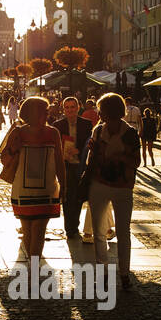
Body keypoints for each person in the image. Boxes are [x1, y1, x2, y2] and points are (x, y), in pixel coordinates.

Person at [83, 93, 140, 292]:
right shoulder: (97, 131)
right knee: (99, 231)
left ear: (108, 112)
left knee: (123, 232)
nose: (99, 113)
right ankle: (103, 272)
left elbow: (136, 162)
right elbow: (91, 160)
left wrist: (118, 155)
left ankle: (124, 273)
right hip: (99, 184)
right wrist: (94, 151)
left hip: (123, 187)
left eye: (102, 110)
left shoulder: (130, 133)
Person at [0, 96, 65, 265]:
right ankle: (32, 265)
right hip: (24, 190)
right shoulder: (18, 132)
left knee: (39, 230)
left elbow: (59, 161)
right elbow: (4, 159)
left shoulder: (53, 133)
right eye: (44, 111)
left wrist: (64, 185)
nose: (47, 113)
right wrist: (14, 149)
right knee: (29, 232)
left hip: (47, 190)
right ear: (34, 113)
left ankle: (33, 269)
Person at [54, 96, 94, 239]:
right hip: (65, 166)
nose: (70, 110)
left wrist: (78, 149)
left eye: (72, 107)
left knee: (78, 197)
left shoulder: (86, 124)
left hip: (80, 166)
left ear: (78, 108)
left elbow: (90, 144)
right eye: (67, 107)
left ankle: (74, 224)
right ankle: (69, 228)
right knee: (66, 197)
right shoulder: (58, 125)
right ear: (63, 109)